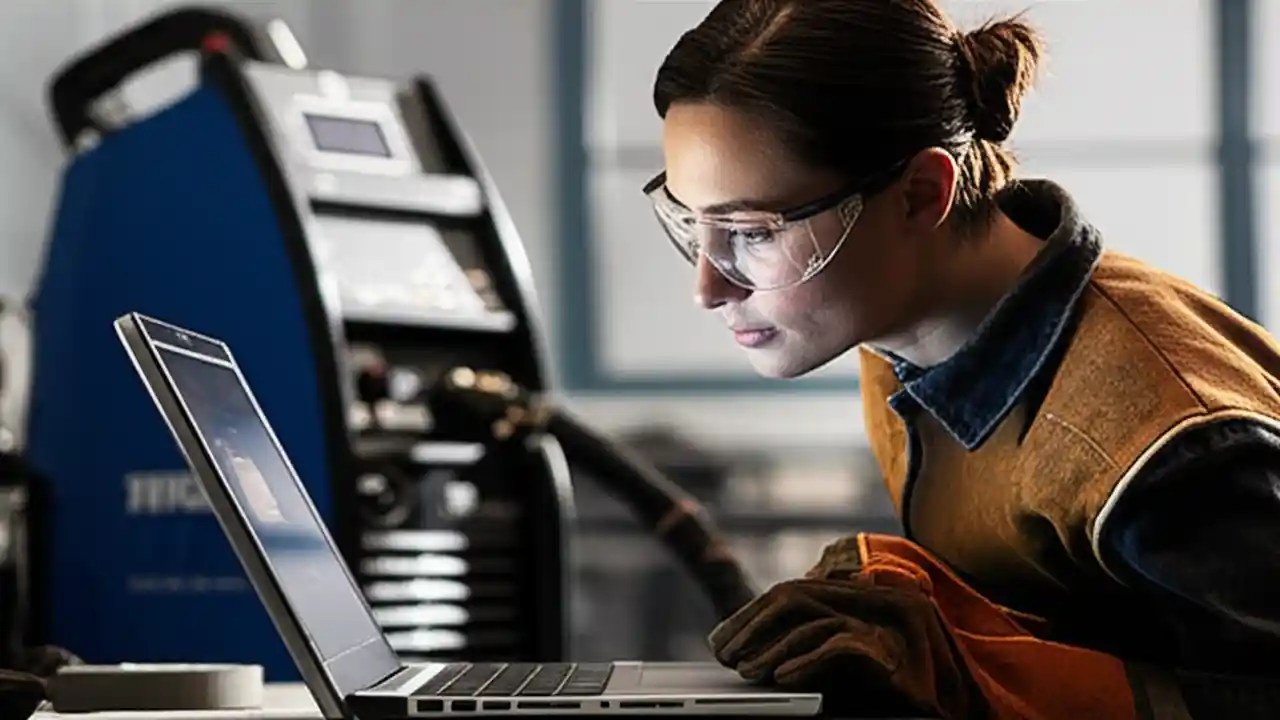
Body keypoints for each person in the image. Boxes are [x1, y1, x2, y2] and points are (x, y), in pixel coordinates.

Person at [642, 0, 1280, 717]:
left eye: (753, 231)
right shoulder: (896, 328)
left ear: (921, 196)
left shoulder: (1166, 446)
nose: (707, 286)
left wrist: (972, 669)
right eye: (690, 222)